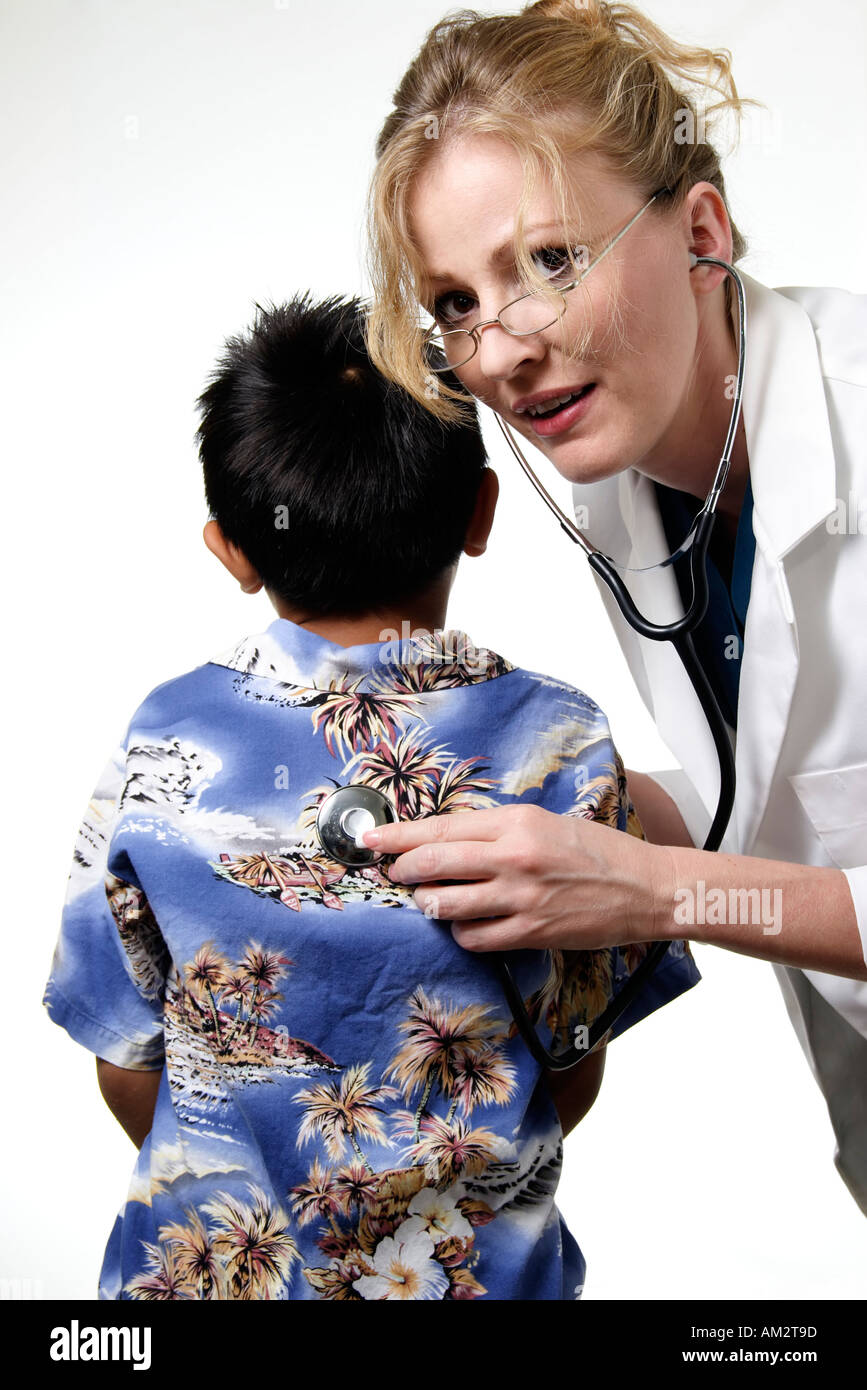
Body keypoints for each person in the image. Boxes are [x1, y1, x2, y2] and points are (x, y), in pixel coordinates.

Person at [42, 293, 699, 1301]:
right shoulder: (558, 743)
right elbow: (574, 1059)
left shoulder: (165, 739)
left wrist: (268, 1184)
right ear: (482, 512)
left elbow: (126, 1057)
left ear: (231, 550)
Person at [362, 0, 867, 1216]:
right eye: (455, 303)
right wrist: (558, 799)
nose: (502, 352)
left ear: (702, 229)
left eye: (550, 261)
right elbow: (788, 788)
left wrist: (650, 887)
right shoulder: (633, 481)